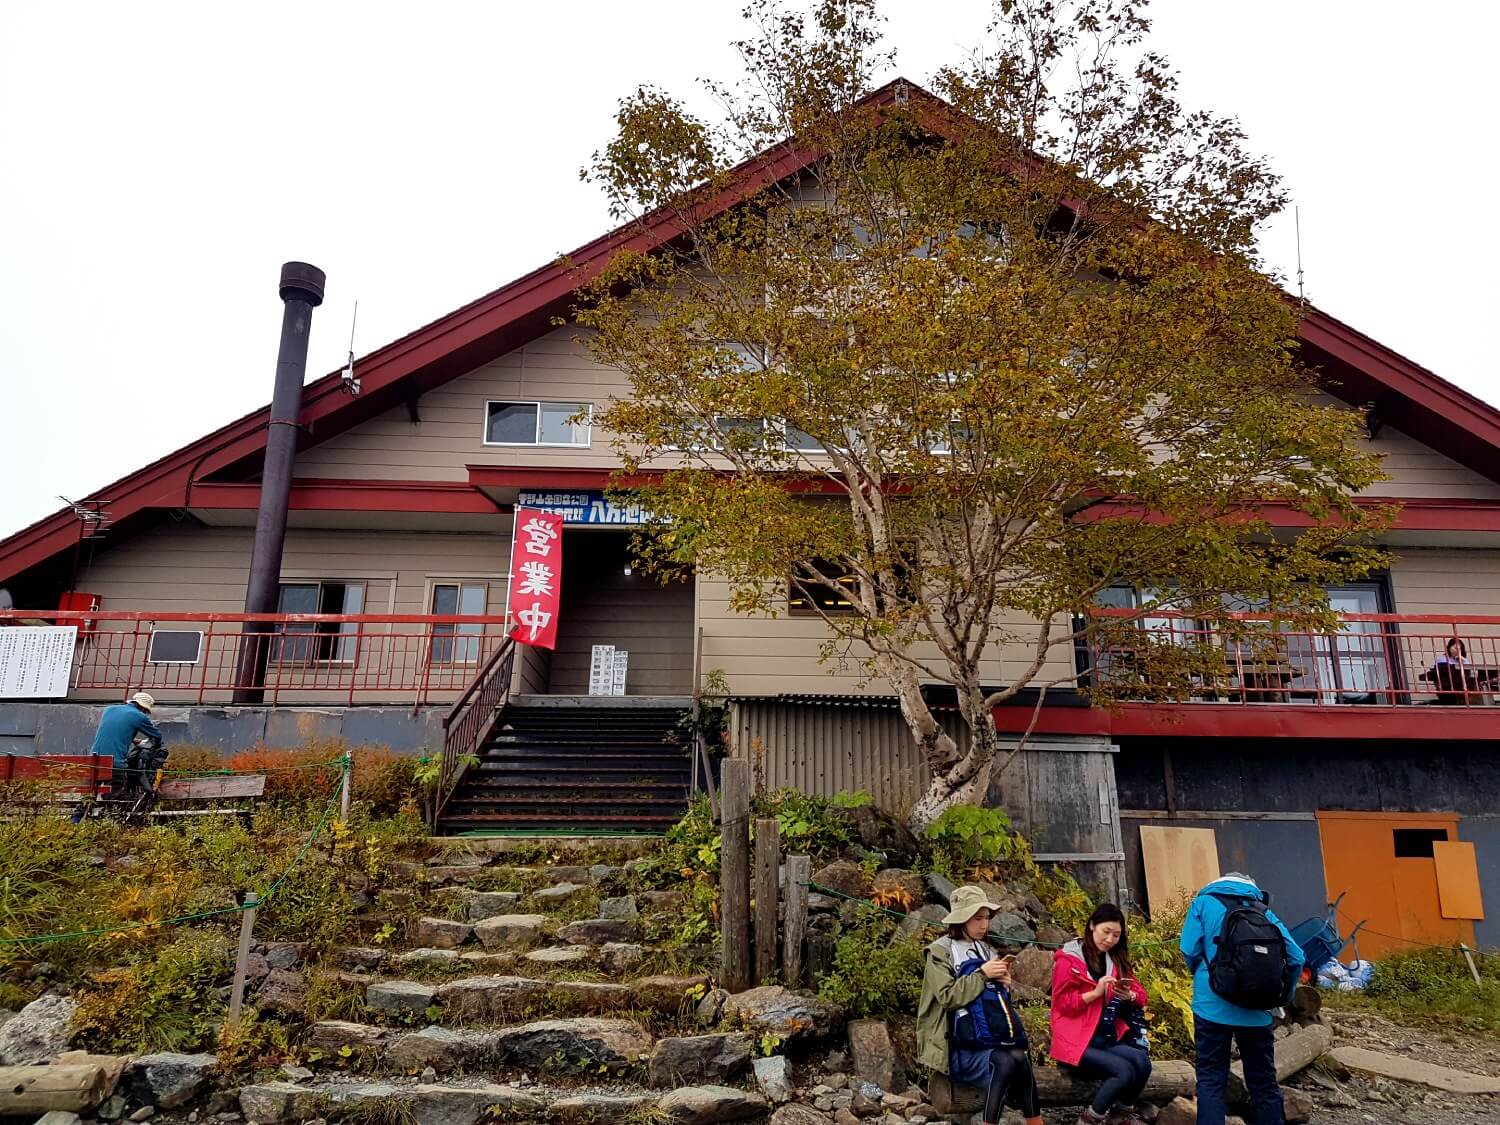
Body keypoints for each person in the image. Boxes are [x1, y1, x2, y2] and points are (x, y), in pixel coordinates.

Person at [1179, 873, 1305, 1125]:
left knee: (1211, 1080)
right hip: (1257, 1010)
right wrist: (1283, 995)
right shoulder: (1262, 910)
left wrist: (1205, 974)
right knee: (1263, 1082)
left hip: (1211, 1006)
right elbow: (1297, 958)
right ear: (1251, 888)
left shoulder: (1203, 903)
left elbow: (1189, 949)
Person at [916, 885, 1044, 1125]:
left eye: (986, 918)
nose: (984, 924)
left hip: (987, 1039)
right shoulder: (939, 952)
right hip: (955, 1047)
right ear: (962, 918)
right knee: (1004, 1062)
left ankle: (1036, 1122)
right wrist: (982, 975)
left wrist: (1004, 986)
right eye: (978, 918)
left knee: (1020, 1058)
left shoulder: (985, 949)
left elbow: (995, 1004)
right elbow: (947, 997)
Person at [1051, 903, 1152, 1124]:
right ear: (1091, 926)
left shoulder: (1114, 960)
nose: (1110, 939)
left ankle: (1121, 1114)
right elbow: (1062, 1004)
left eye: (1116, 935)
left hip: (1104, 1038)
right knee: (1123, 1071)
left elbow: (1142, 994)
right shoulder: (1068, 961)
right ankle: (1090, 1119)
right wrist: (1096, 992)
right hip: (1075, 1042)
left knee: (1142, 1062)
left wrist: (1130, 996)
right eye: (1106, 932)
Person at [88, 692, 162, 770]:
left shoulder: (109, 709)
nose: (145, 714)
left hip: (93, 760)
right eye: (145, 712)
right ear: (143, 708)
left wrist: (133, 740)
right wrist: (155, 746)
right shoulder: (139, 716)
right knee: (126, 776)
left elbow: (113, 731)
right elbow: (157, 735)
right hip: (115, 763)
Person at [1432, 637, 1470, 704]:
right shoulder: (1442, 659)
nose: (1457, 650)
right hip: (1447, 685)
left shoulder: (1463, 659)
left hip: (1461, 685)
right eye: (1455, 648)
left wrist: (1463, 661)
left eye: (1459, 648)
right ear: (1449, 647)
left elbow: (1470, 671)